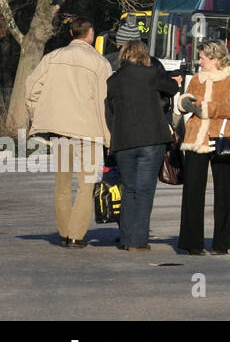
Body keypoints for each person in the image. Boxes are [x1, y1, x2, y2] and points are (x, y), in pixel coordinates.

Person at [19, 17, 111, 248]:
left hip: (60, 130)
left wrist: (39, 112)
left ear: (71, 32)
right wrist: (108, 136)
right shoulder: (100, 63)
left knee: (62, 185)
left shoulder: (52, 58)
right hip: (89, 130)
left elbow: (31, 89)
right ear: (90, 34)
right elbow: (106, 102)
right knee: (85, 184)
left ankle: (63, 232)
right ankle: (76, 235)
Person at [106, 41, 180, 251]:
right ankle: (138, 240)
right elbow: (172, 88)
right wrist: (175, 80)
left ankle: (126, 237)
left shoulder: (114, 80)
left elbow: (109, 111)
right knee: (145, 190)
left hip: (123, 142)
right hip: (150, 140)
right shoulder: (151, 74)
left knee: (129, 189)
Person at [177, 39, 230, 255]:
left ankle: (221, 243)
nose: (199, 61)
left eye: (202, 57)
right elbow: (187, 98)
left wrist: (205, 108)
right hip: (195, 139)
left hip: (223, 137)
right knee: (192, 192)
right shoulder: (197, 78)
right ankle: (192, 243)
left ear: (215, 58)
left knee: (223, 193)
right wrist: (184, 102)